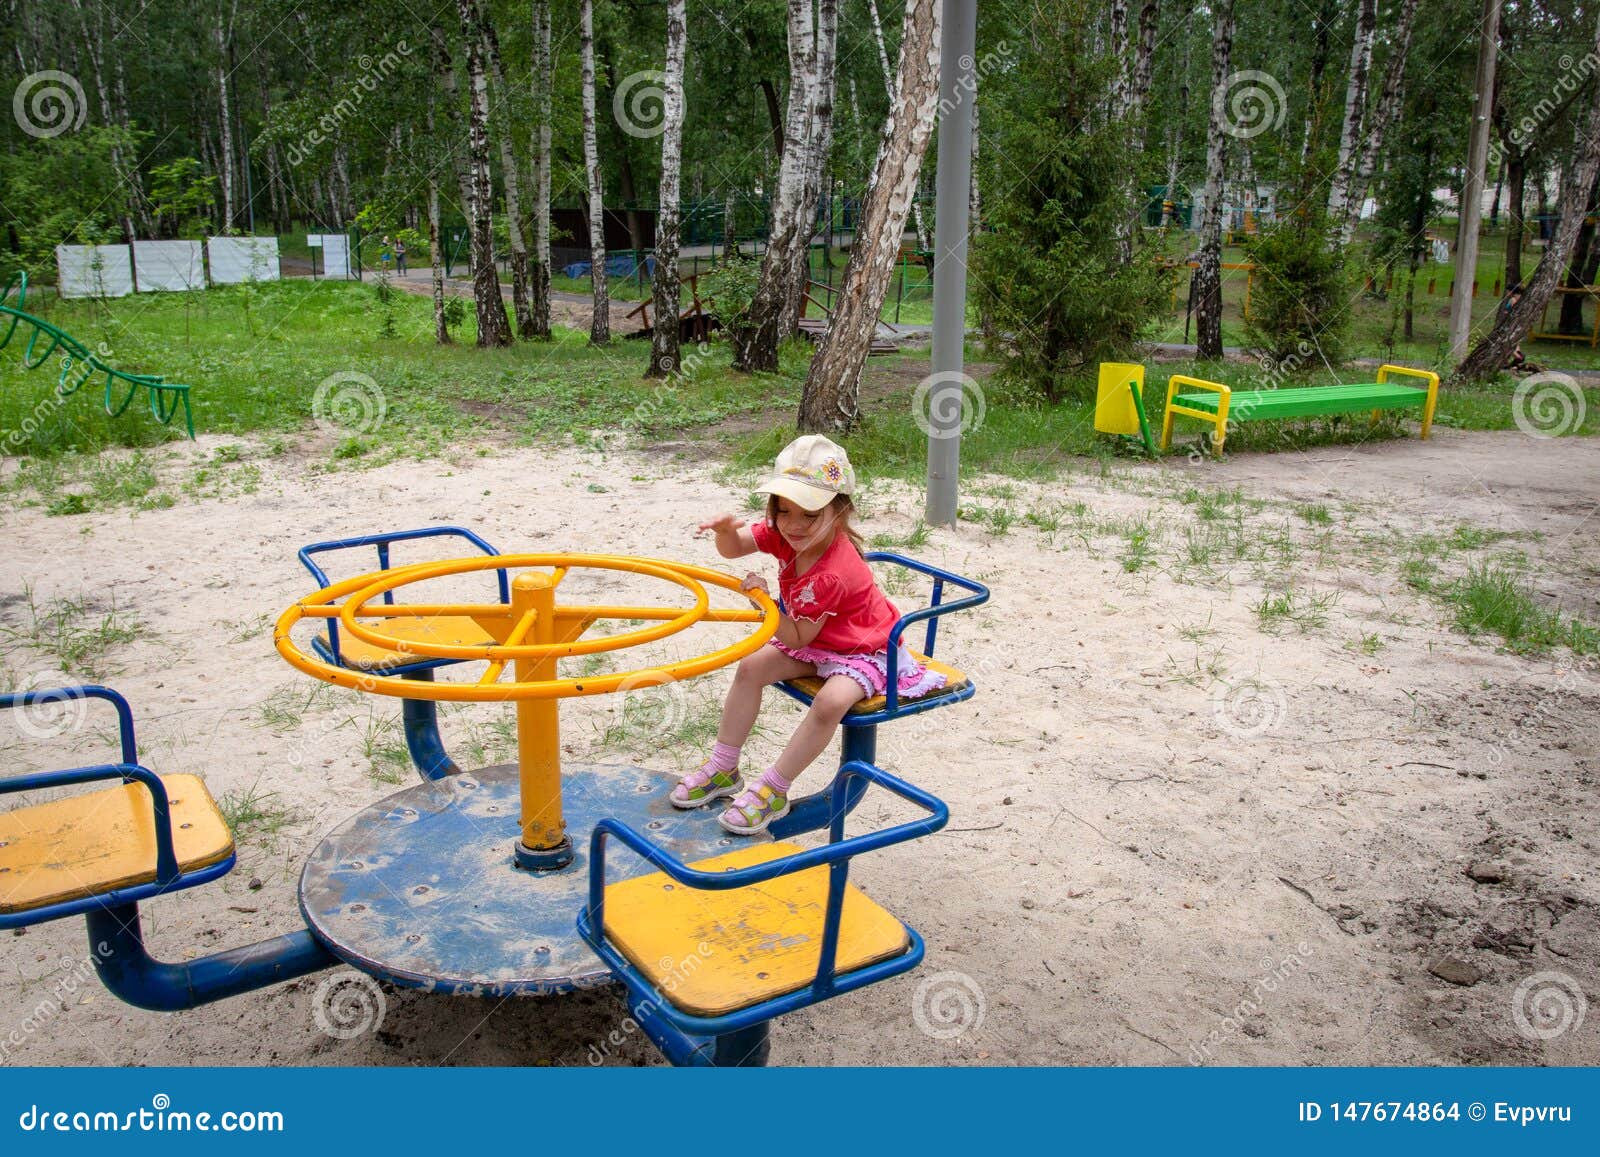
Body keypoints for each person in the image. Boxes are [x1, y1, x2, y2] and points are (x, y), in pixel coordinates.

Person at [675, 435, 946, 835]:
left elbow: (798, 636)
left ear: (839, 512)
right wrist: (724, 532)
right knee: (751, 667)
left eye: (809, 514)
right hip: (817, 638)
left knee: (830, 701)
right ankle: (723, 765)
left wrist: (761, 601)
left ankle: (775, 788)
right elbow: (736, 549)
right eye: (784, 510)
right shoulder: (788, 532)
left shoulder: (834, 571)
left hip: (862, 648)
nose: (794, 524)